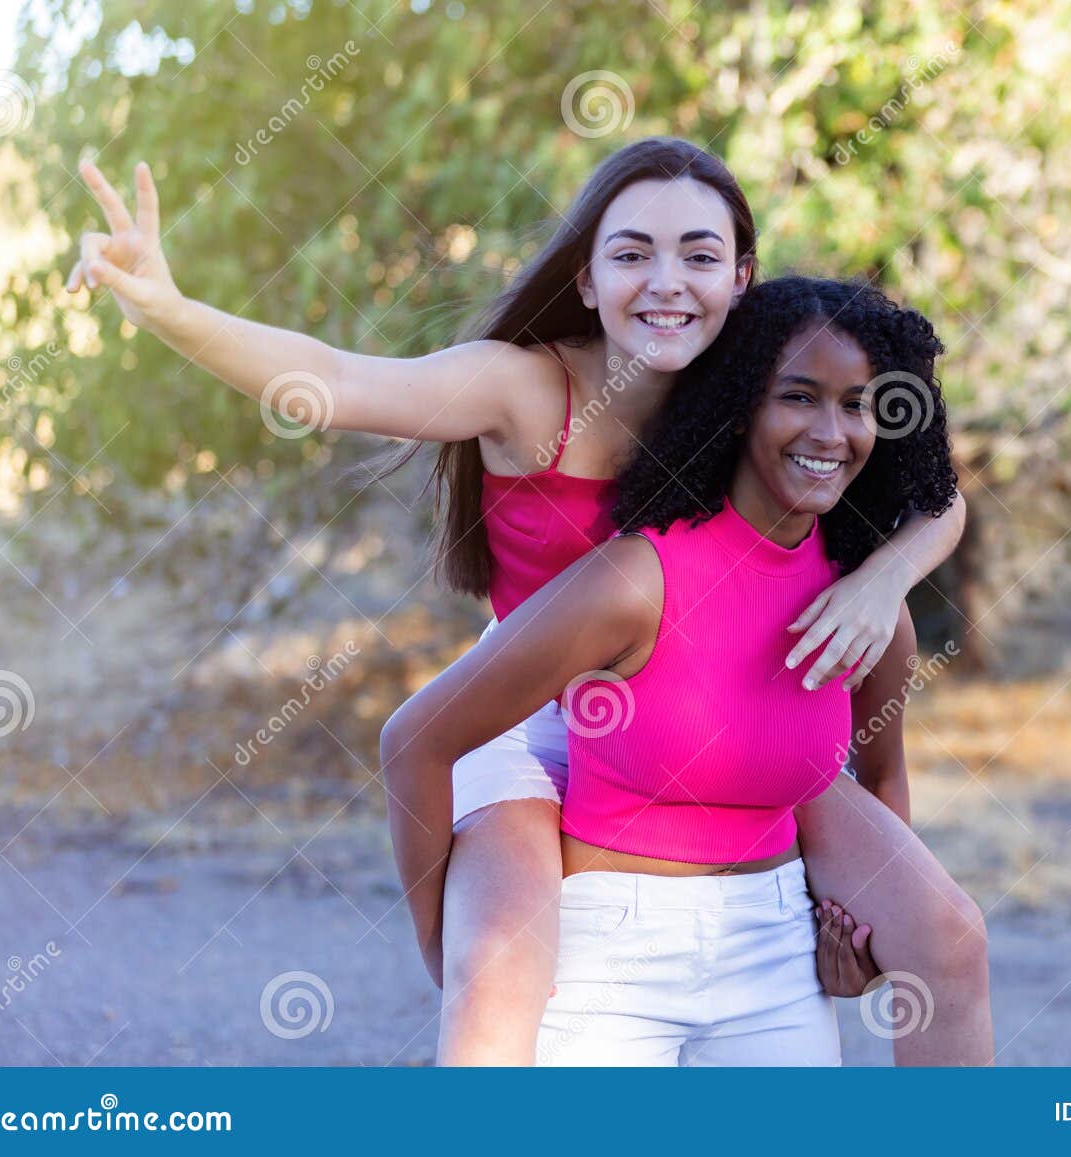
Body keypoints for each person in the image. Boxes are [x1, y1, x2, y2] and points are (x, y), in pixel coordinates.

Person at [67, 138, 989, 1064]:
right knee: (500, 975)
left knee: (945, 932)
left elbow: (931, 490)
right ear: (586, 278)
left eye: (700, 257)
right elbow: (336, 382)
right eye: (633, 253)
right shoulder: (529, 389)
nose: (667, 282)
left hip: (706, 700)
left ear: (742, 281)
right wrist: (170, 310)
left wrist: (883, 577)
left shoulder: (753, 386)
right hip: (532, 709)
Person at [383, 276, 973, 1063]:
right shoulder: (634, 579)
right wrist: (441, 940)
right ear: (738, 407)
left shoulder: (867, 608)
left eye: (857, 404)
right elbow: (415, 739)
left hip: (774, 952)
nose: (831, 431)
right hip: (610, 959)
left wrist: (858, 929)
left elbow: (883, 777)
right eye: (798, 397)